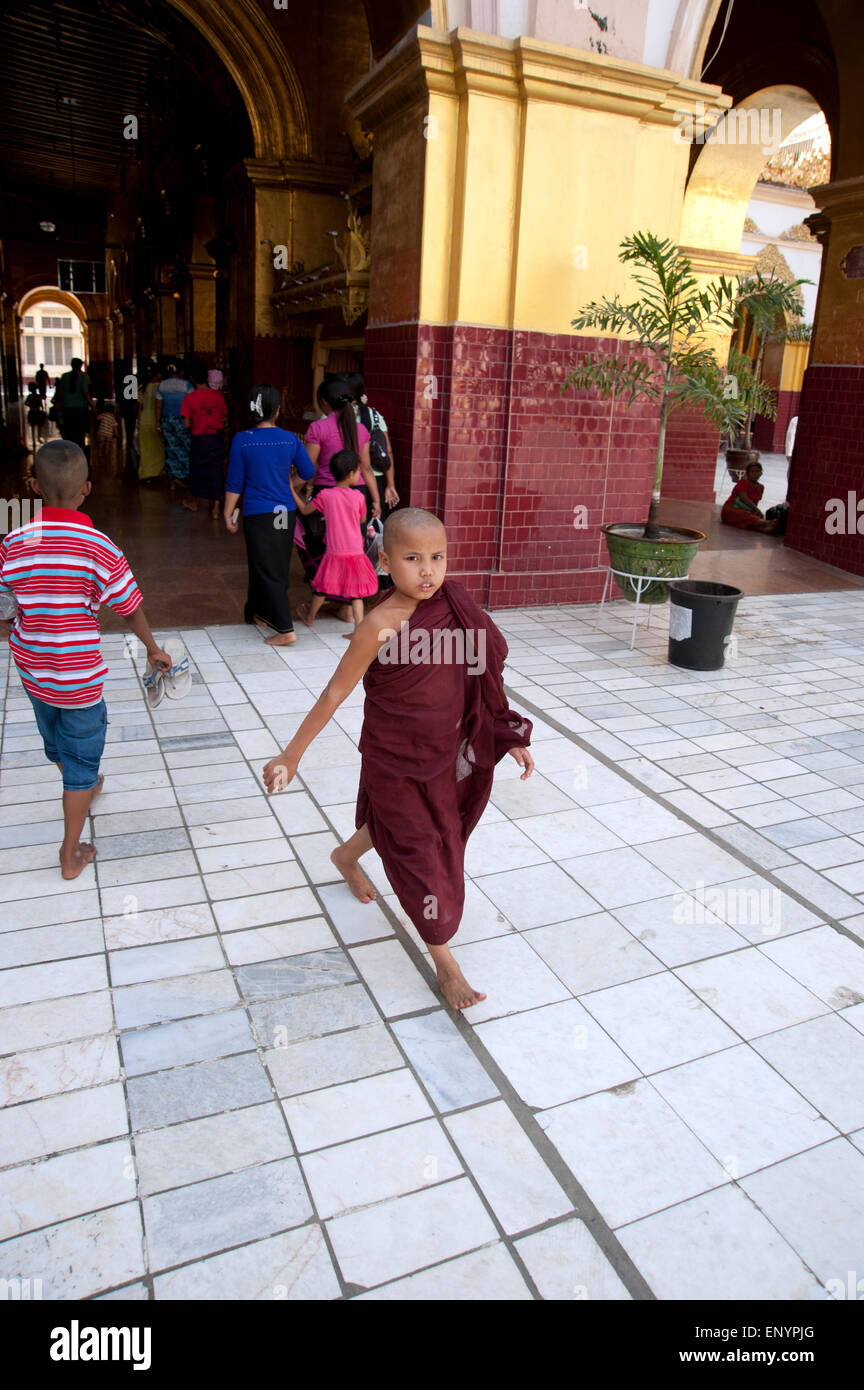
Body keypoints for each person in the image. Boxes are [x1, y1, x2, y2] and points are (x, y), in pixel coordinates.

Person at [262, 507, 535, 1010]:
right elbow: (333, 694)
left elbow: (484, 679)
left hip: (446, 754)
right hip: (395, 758)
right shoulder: (379, 627)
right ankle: (445, 960)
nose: (428, 570)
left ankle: (346, 856)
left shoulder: (456, 607)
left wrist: (505, 733)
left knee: (418, 827)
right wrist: (291, 753)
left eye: (437, 557)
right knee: (420, 850)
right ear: (385, 561)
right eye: (412, 558)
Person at [0, 440, 171, 879]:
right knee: (78, 764)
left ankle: (84, 780)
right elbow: (128, 605)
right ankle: (70, 851)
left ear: (34, 486)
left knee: (56, 744)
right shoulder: (98, 546)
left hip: (35, 672)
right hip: (78, 679)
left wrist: (23, 633)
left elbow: (5, 609)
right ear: (87, 488)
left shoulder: (13, 541)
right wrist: (153, 648)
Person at [223, 384, 316, 646]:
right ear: (276, 410)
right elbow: (308, 471)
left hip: (259, 514)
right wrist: (290, 484)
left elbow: (234, 481)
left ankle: (285, 629)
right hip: (283, 512)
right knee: (269, 564)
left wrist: (228, 513)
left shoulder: (243, 439)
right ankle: (258, 612)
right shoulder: (290, 439)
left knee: (266, 567)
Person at [291, 449, 379, 634]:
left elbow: (305, 511)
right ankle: (358, 629)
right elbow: (362, 520)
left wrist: (292, 490)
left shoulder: (325, 496)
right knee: (356, 594)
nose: (359, 474)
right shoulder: (359, 497)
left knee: (321, 588)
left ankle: (310, 618)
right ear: (350, 474)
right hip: (355, 551)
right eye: (357, 471)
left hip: (334, 551)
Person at [304, 376, 381, 528]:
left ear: (324, 402)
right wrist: (376, 500)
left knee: (326, 544)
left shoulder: (318, 428)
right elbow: (366, 468)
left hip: (326, 492)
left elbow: (308, 466)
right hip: (357, 492)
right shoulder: (361, 429)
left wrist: (304, 487)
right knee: (354, 542)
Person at [345, 372, 399, 511]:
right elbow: (387, 451)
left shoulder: (335, 416)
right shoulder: (375, 415)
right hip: (375, 482)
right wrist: (390, 484)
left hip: (345, 480)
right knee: (371, 529)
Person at [181, 363, 228, 517]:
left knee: (196, 471)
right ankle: (215, 508)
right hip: (216, 438)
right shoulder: (218, 396)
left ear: (192, 379)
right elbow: (224, 419)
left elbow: (186, 423)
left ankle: (193, 502)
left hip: (199, 439)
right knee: (216, 471)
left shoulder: (189, 398)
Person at [155, 363, 192, 491]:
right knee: (185, 448)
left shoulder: (162, 385)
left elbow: (159, 405)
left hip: (167, 420)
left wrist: (158, 422)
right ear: (180, 371)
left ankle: (172, 481)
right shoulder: (186, 384)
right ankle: (184, 477)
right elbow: (190, 403)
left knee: (170, 449)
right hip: (183, 420)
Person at [721, 462, 779, 532]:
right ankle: (769, 523)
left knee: (753, 519)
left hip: (747, 511)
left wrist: (756, 512)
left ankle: (766, 527)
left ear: (761, 473)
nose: (755, 474)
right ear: (747, 473)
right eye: (752, 471)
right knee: (747, 516)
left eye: (757, 471)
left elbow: (755, 503)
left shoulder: (761, 487)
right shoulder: (742, 482)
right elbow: (744, 498)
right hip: (732, 508)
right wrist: (757, 510)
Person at [53, 358, 93, 451]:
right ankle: (79, 449)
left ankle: (70, 449)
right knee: (80, 431)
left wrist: (58, 403)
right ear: (81, 366)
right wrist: (93, 406)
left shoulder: (64, 376)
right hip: (80, 408)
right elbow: (86, 394)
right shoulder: (84, 377)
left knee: (69, 430)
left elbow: (60, 392)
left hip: (66, 407)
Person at [138, 369, 165, 483]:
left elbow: (139, 407)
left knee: (145, 449)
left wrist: (138, 421)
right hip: (156, 420)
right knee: (158, 449)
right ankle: (157, 472)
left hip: (144, 420)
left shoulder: (141, 387)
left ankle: (145, 474)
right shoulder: (160, 387)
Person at [93, 401, 119, 469]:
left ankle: (100, 454)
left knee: (101, 444)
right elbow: (114, 427)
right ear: (113, 411)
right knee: (107, 445)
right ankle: (106, 455)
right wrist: (116, 434)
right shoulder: (113, 418)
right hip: (109, 434)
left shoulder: (102, 415)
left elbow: (97, 419)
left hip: (101, 433)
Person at [25, 384, 47, 454]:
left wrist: (30, 405)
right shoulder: (38, 396)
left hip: (31, 411)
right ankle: (38, 438)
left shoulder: (29, 396)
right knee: (39, 426)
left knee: (32, 426)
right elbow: (41, 405)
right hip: (37, 411)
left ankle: (34, 441)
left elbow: (25, 403)